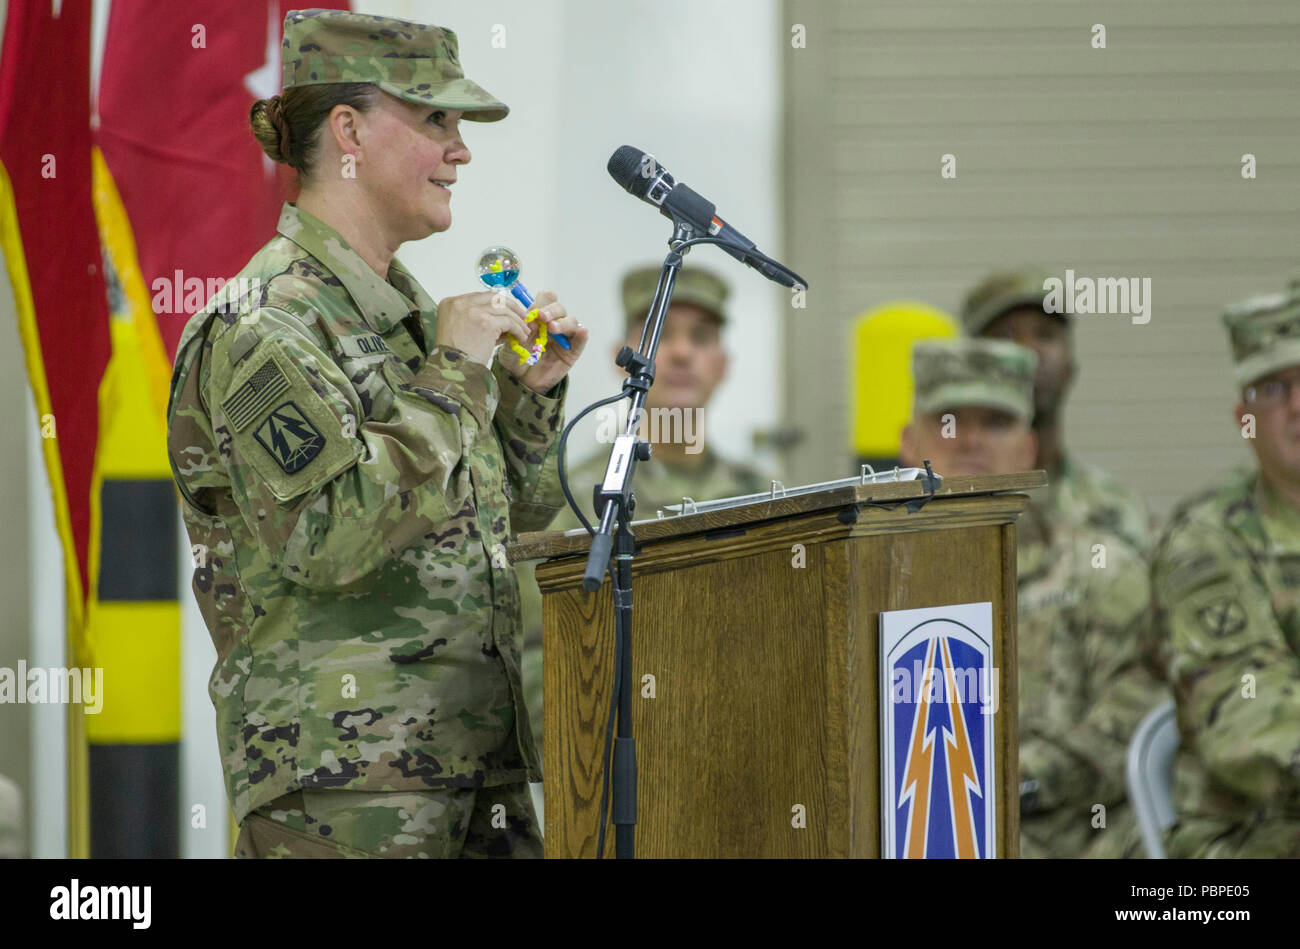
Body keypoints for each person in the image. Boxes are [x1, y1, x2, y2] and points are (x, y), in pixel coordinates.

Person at [165, 9, 588, 859]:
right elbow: (330, 536)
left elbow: (512, 527)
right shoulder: (265, 325)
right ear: (349, 131)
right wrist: (458, 373)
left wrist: (526, 396)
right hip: (346, 792)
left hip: (475, 772)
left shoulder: (411, 318)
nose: (460, 149)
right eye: (435, 118)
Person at [899, 338, 1159, 858]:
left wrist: (1007, 780)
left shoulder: (1098, 572)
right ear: (909, 442)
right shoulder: (869, 581)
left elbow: (1137, 717)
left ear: (1030, 448)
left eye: (995, 422)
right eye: (949, 419)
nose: (969, 440)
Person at [516, 265, 771, 755]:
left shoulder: (764, 498)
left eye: (700, 337)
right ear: (623, 359)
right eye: (660, 334)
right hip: (612, 765)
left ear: (723, 363)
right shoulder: (572, 498)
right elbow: (535, 658)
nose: (679, 352)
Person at [1149, 285, 1300, 858]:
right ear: (1244, 420)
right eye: (1274, 389)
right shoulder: (1206, 541)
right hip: (1249, 838)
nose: (1298, 404)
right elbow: (1249, 718)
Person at [961, 269, 1151, 553]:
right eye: (1005, 336)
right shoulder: (942, 510)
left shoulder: (1118, 512)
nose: (1028, 352)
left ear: (1071, 365)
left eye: (1045, 335)